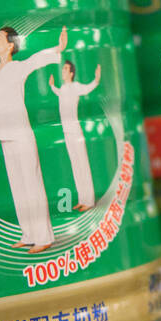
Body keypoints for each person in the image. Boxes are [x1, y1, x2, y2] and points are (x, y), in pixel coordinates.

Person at [0, 25, 67, 253]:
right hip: (5, 136)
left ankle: (43, 236)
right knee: (18, 187)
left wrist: (57, 49)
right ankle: (28, 234)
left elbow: (36, 60)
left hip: (21, 135)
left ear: (10, 45)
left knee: (32, 185)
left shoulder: (17, 68)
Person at [49, 61, 101, 212]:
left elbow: (88, 88)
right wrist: (52, 86)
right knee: (75, 166)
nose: (63, 71)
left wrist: (96, 79)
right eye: (63, 68)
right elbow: (59, 93)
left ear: (71, 73)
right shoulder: (64, 88)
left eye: (65, 69)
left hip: (75, 132)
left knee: (83, 165)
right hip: (66, 132)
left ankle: (89, 200)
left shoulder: (75, 86)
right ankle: (82, 199)